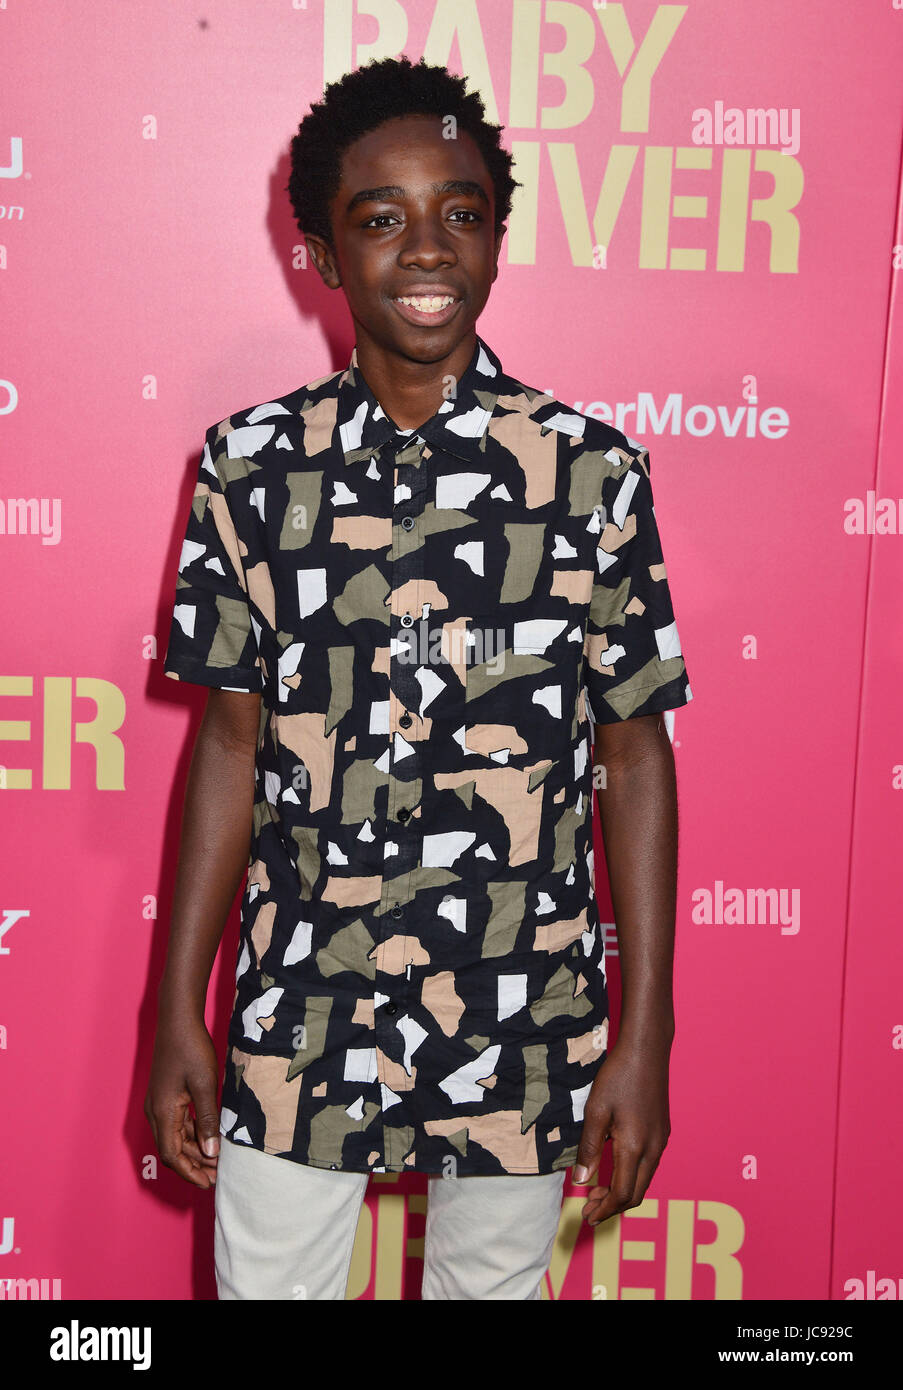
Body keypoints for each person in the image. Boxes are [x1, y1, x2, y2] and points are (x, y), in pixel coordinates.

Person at [145, 54, 693, 1302]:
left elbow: (632, 753)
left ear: (499, 236)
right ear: (328, 259)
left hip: (525, 1002)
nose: (426, 247)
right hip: (301, 1000)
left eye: (460, 210)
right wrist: (180, 1004)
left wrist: (646, 1023)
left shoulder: (590, 476)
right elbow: (231, 743)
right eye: (380, 219)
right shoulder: (248, 469)